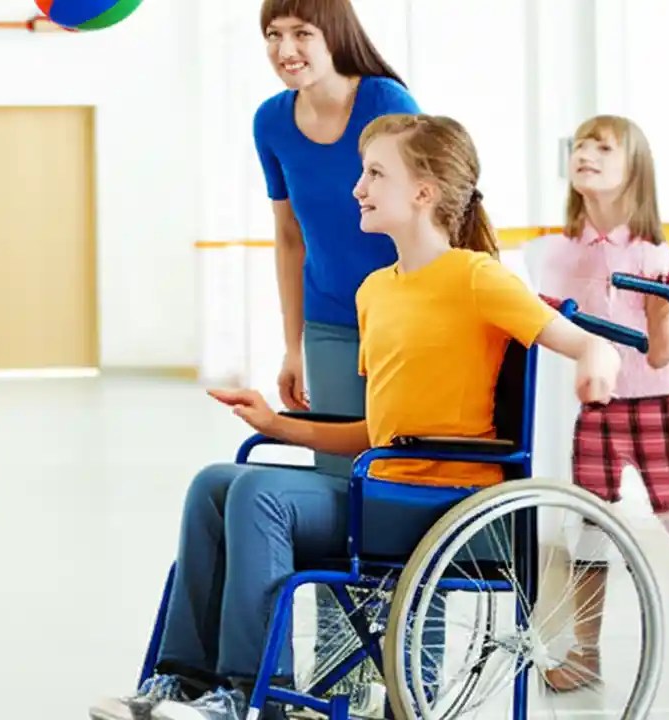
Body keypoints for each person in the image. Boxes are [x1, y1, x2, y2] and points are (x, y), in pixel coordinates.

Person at [89, 113, 623, 720]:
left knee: (261, 494)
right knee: (215, 482)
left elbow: (579, 340)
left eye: (374, 174)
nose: (357, 189)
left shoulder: (476, 278)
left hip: (443, 504)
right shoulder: (375, 291)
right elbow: (379, 433)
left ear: (423, 192)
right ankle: (182, 681)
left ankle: (249, 695)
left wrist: (595, 360)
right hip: (387, 483)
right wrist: (276, 425)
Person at [253, 0, 421, 696]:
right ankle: (336, 663)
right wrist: (291, 344)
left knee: (393, 477)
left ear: (334, 35)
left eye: (300, 33)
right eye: (272, 36)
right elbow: (289, 237)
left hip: (403, 315)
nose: (285, 49)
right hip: (327, 321)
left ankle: (401, 654)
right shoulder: (270, 121)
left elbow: (428, 202)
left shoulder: (383, 99)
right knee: (334, 488)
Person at [539, 114, 669, 691]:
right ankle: (585, 653)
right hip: (596, 409)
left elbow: (659, 356)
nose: (587, 154)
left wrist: (662, 305)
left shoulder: (650, 252)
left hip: (660, 405)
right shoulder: (560, 253)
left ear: (635, 172)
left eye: (605, 147)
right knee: (589, 529)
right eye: (582, 145)